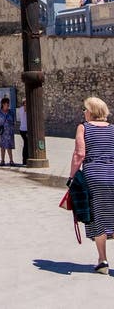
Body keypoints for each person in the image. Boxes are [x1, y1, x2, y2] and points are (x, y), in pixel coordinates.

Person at [69, 96, 114, 274]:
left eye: (85, 109)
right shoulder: (113, 129)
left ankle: (102, 260)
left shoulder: (83, 128)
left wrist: (72, 176)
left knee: (98, 217)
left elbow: (79, 154)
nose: (83, 112)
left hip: (94, 176)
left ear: (91, 111)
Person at [0, 96, 15, 166]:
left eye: (8, 104)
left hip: (9, 132)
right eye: (7, 104)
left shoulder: (11, 112)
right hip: (2, 132)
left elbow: (13, 121)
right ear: (3, 104)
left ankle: (11, 160)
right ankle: (2, 160)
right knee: (2, 147)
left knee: (9, 147)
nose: (8, 105)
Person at [17, 97, 28, 166]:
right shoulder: (22, 109)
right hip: (24, 129)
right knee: (26, 144)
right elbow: (24, 111)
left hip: (24, 129)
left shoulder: (22, 109)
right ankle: (24, 160)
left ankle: (25, 159)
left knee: (26, 144)